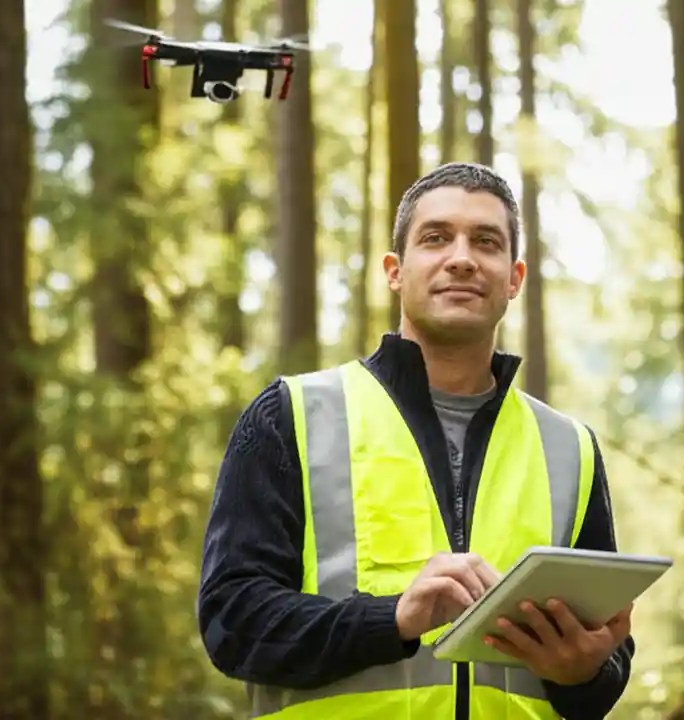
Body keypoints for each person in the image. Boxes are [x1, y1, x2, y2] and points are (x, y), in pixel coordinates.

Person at [198, 162, 636, 719]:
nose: (461, 257)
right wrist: (394, 618)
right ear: (395, 271)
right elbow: (231, 622)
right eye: (435, 238)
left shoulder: (570, 448)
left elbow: (608, 657)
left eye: (486, 241)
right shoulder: (291, 415)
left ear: (514, 279)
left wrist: (585, 674)